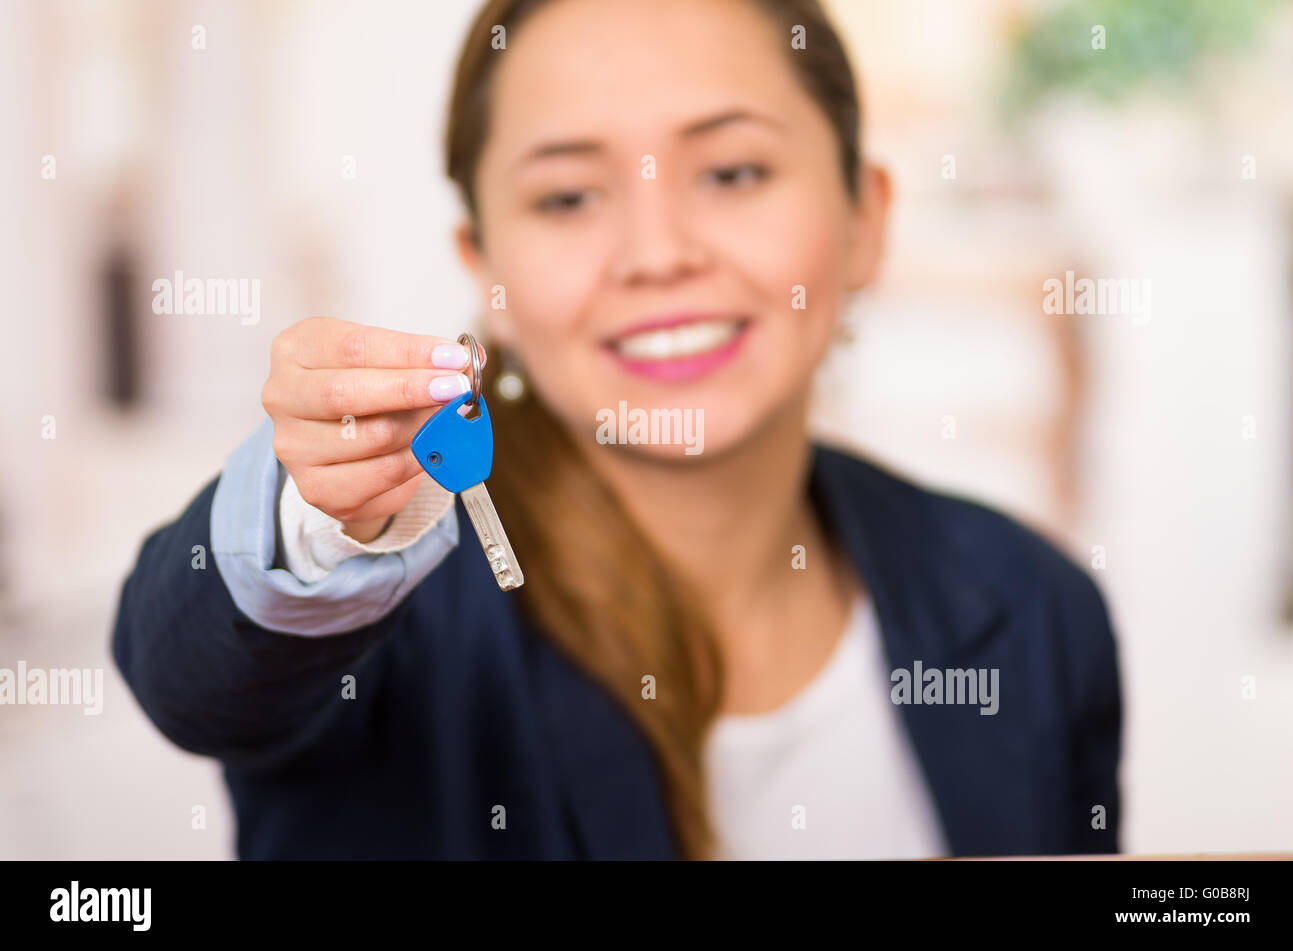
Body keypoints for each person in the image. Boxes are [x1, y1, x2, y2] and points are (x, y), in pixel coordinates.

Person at [111, 0, 1122, 860]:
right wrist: (313, 516)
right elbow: (188, 673)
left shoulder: (1035, 608)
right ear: (487, 271)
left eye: (731, 173)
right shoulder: (387, 617)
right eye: (567, 196)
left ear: (864, 219)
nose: (658, 253)